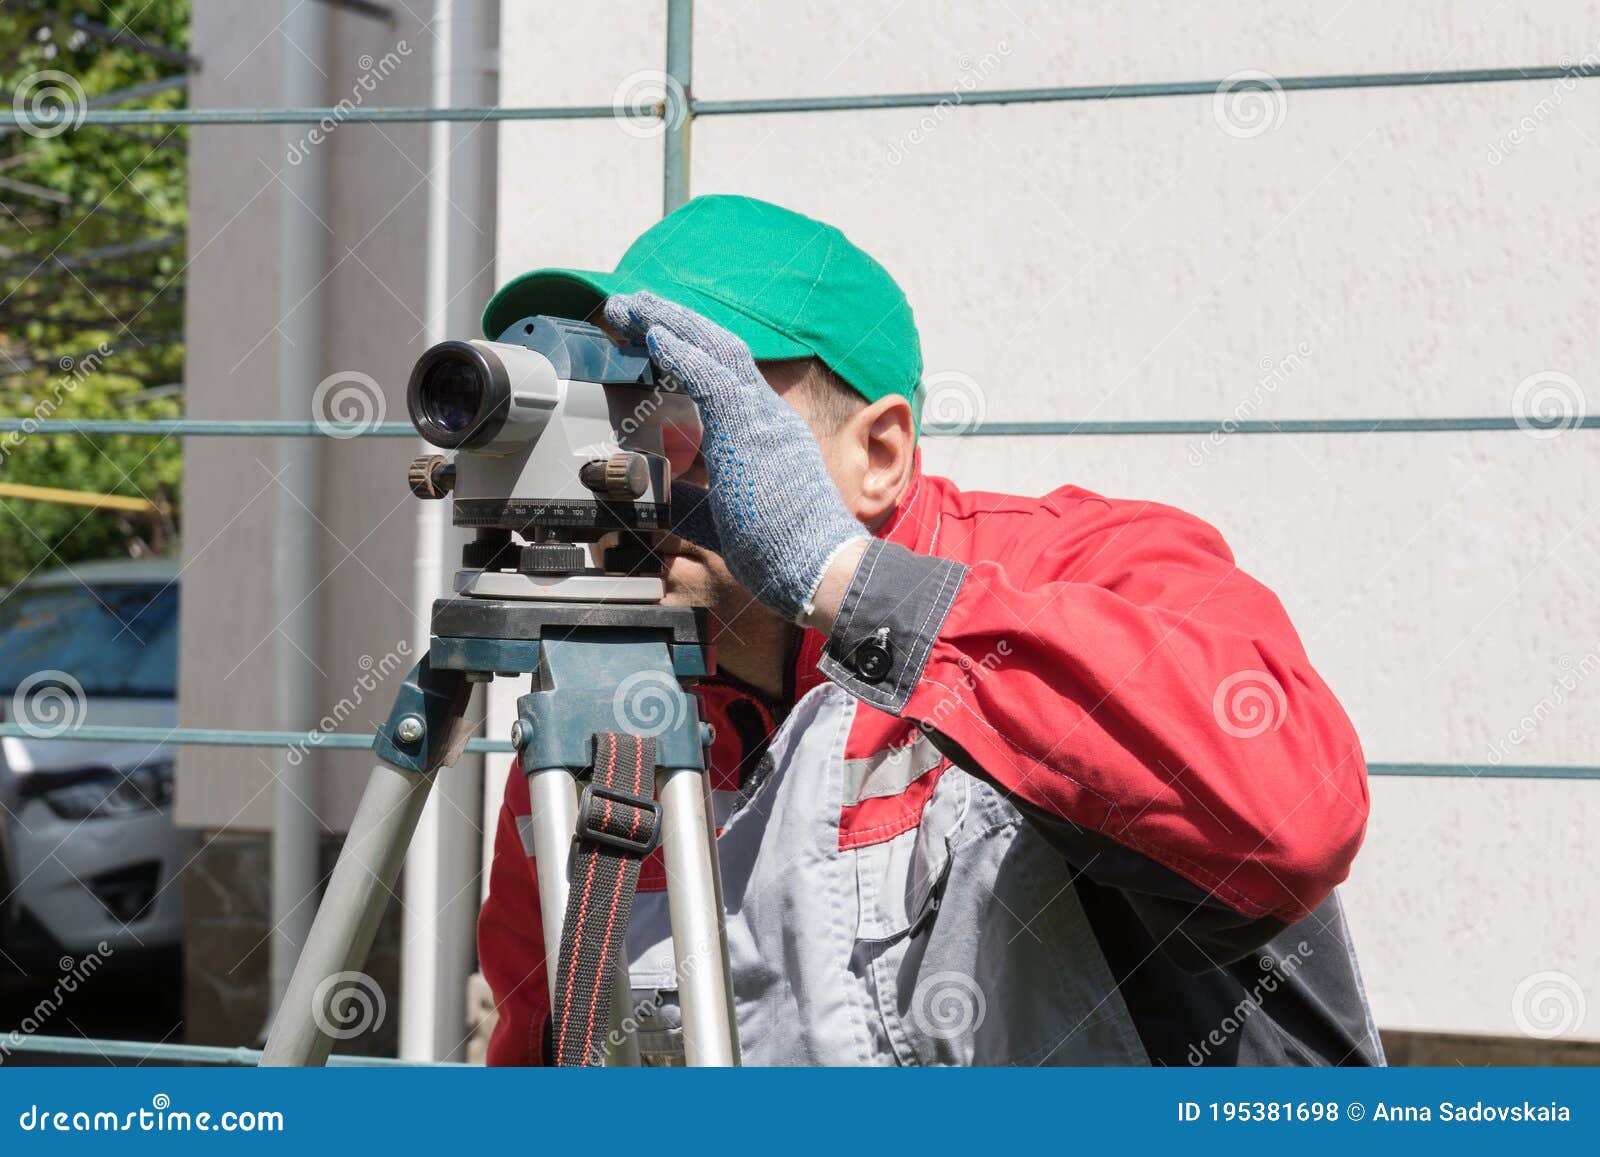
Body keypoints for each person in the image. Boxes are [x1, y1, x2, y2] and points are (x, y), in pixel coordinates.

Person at [476, 194, 1383, 1066]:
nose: (639, 456)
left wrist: (841, 576)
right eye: (616, 401)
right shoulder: (605, 719)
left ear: (879, 453)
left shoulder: (1083, 567)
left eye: (687, 404)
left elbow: (1292, 819)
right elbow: (541, 1062)